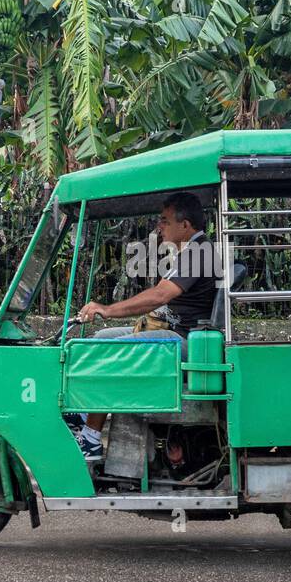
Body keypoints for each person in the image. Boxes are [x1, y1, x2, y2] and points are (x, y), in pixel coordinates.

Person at [73, 192, 217, 461]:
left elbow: (159, 296)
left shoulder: (199, 252)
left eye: (164, 221)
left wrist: (107, 309)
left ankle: (91, 439)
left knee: (109, 353)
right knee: (100, 340)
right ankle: (83, 413)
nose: (159, 227)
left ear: (185, 225)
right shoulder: (192, 251)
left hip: (184, 340)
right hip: (173, 332)